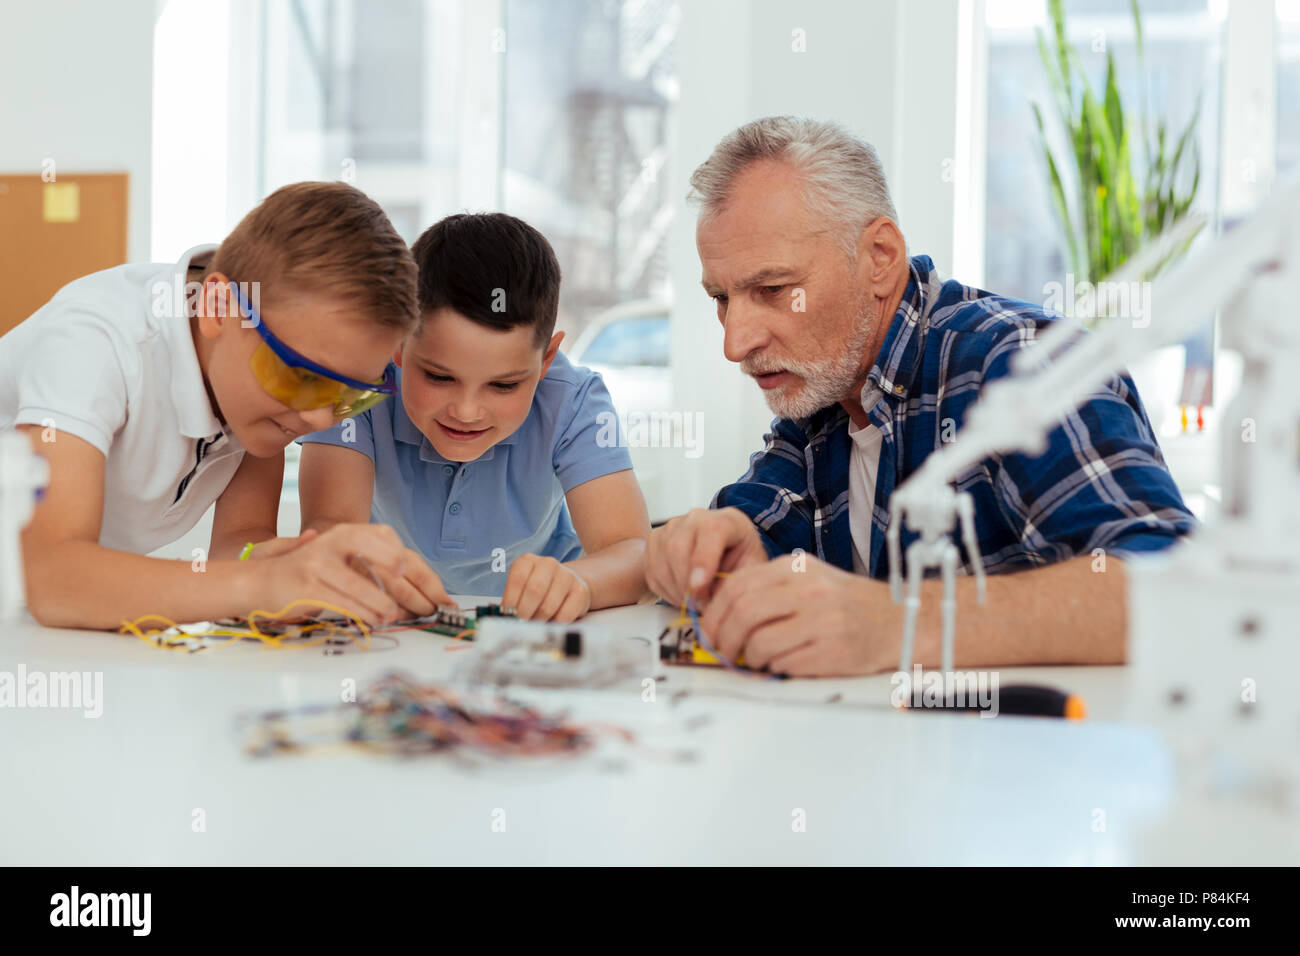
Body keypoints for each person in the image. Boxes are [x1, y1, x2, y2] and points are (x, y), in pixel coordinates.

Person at [645, 116, 1195, 676]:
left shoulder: (1025, 363)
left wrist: (897, 623)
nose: (736, 344)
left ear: (880, 257)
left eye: (772, 290)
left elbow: (1177, 589)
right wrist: (715, 546)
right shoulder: (824, 388)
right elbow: (761, 522)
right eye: (720, 297)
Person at [1, 181, 449, 629]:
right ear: (218, 307)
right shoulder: (95, 340)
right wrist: (258, 585)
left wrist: (296, 566)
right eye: (303, 378)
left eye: (350, 394)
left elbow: (240, 542)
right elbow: (55, 579)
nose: (317, 419)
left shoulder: (252, 393)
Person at [298, 213, 650, 622]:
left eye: (503, 386)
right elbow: (330, 533)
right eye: (438, 376)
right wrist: (349, 562)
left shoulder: (574, 400)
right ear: (398, 343)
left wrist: (583, 582)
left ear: (546, 360)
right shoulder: (359, 383)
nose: (466, 412)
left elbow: (633, 552)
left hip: (535, 625)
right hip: (392, 618)